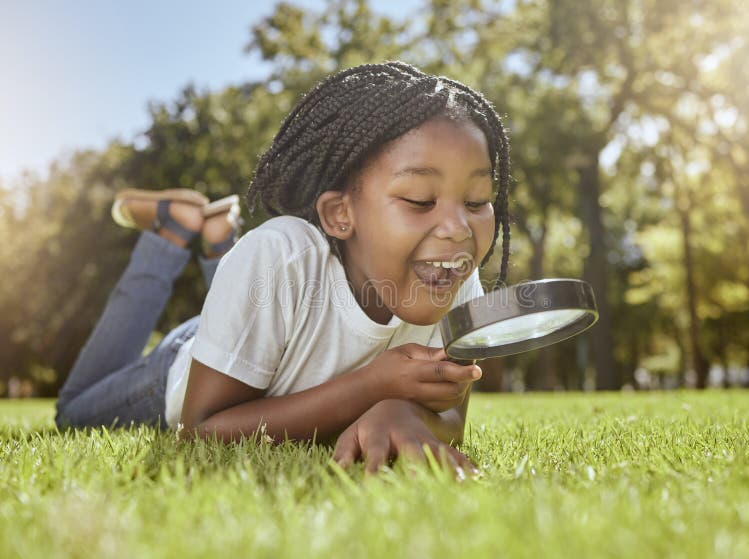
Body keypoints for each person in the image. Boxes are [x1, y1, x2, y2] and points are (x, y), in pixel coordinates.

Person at [55, 62, 512, 473]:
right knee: (72, 413)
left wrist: (405, 413)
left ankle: (217, 242)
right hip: (195, 360)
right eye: (419, 200)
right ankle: (169, 236)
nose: (457, 229)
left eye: (476, 202)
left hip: (266, 320)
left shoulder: (452, 272)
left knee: (273, 287)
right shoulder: (277, 255)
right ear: (340, 214)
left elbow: (451, 415)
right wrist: (372, 387)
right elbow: (200, 433)